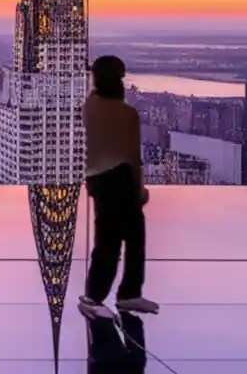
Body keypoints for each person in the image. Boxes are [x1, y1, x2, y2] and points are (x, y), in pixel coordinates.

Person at [79, 55, 158, 320]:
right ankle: (108, 296)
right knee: (128, 238)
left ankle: (107, 295)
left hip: (97, 179)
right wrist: (139, 190)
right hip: (120, 178)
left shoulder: (90, 107)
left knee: (109, 238)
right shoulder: (127, 115)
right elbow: (134, 157)